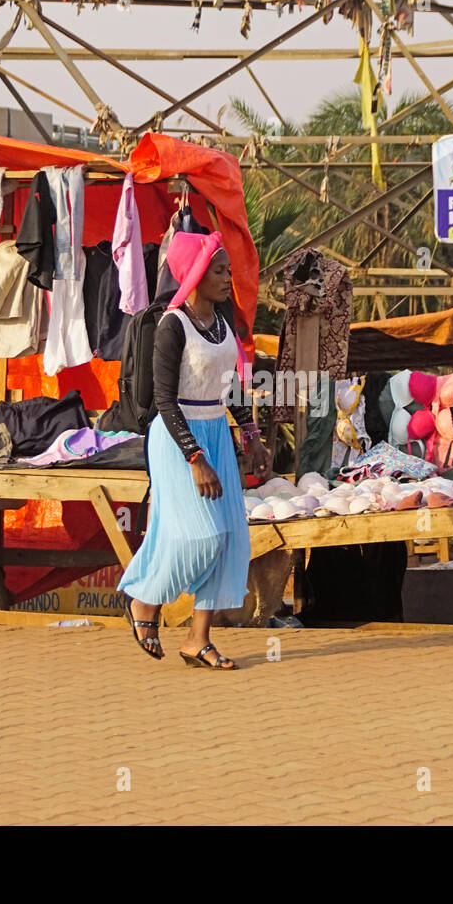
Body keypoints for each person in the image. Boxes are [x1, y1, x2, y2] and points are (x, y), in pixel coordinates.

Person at [116, 231, 271, 669]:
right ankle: (145, 599)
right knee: (199, 535)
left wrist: (252, 436)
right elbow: (164, 400)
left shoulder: (223, 323)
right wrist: (194, 458)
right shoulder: (172, 325)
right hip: (177, 438)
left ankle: (197, 640)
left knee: (229, 540)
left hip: (217, 433)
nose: (228, 278)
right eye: (219, 271)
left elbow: (232, 389)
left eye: (227, 270)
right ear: (196, 274)